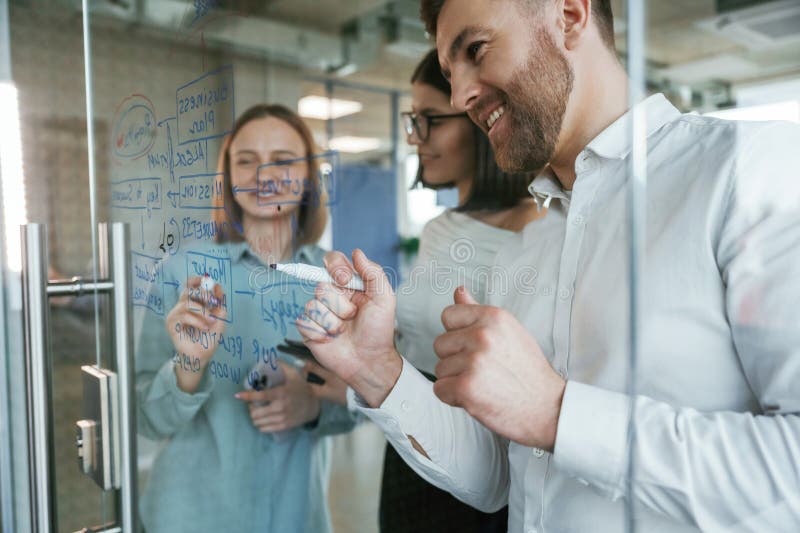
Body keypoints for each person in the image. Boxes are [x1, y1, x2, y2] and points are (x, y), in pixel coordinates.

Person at [295, 0, 800, 532]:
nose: (461, 95)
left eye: (476, 50)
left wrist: (559, 414)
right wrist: (379, 371)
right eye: (450, 72)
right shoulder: (527, 249)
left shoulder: (751, 173)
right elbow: (499, 478)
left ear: (570, 14)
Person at [135, 104, 357, 533]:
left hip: (294, 516)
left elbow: (362, 405)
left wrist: (313, 405)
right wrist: (189, 365)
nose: (264, 176)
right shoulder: (184, 273)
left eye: (282, 161)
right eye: (246, 161)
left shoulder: (332, 283)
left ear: (309, 177)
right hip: (187, 518)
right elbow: (146, 419)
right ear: (229, 177)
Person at [389, 48, 539, 532]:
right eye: (414, 120)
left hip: (476, 465)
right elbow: (415, 341)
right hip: (409, 444)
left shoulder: (534, 232)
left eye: (431, 119)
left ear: (478, 118)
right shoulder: (439, 228)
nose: (416, 138)